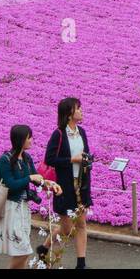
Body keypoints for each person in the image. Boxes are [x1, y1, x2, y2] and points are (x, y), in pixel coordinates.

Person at [0, 124, 61, 268]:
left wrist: (50, 184)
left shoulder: (26, 158)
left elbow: (37, 180)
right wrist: (30, 178)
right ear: (21, 140)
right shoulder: (5, 160)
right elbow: (10, 185)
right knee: (23, 251)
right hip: (11, 209)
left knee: (22, 251)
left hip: (24, 209)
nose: (32, 140)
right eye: (29, 138)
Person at [44, 97, 93, 269]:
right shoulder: (58, 134)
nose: (81, 111)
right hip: (64, 186)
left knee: (81, 224)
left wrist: (87, 160)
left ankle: (81, 263)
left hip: (81, 185)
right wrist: (72, 159)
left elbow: (85, 154)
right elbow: (49, 159)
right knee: (66, 229)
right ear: (69, 113)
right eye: (78, 108)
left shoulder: (82, 132)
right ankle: (44, 248)